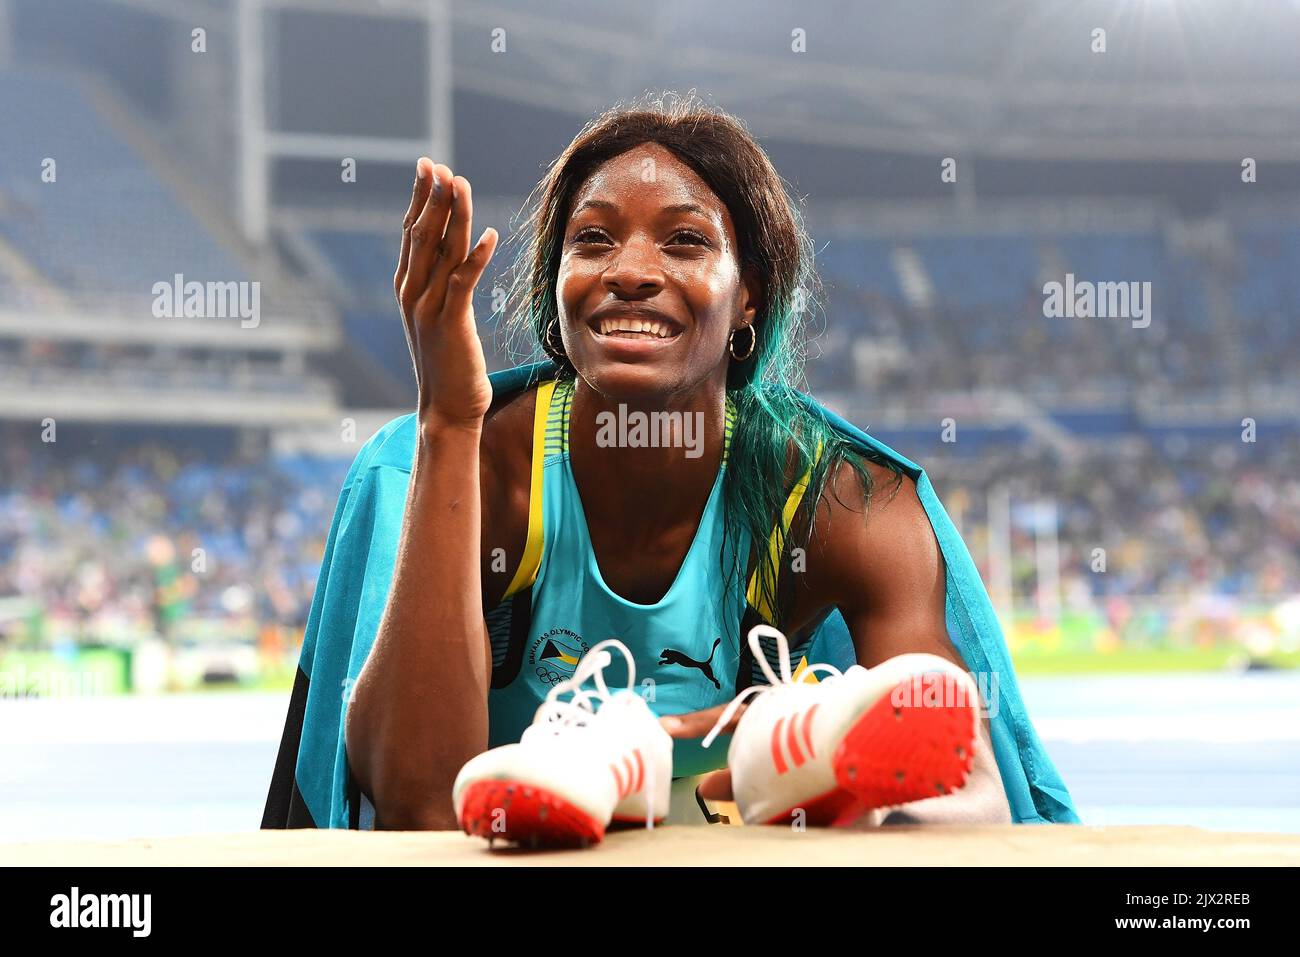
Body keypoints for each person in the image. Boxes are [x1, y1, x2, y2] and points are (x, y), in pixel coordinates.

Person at [261, 94, 1078, 833]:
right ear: (555, 284)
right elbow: (423, 803)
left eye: (685, 240)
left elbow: (972, 795)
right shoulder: (470, 465)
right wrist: (447, 419)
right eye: (592, 239)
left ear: (749, 294)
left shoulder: (842, 498)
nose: (630, 271)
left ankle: (761, 749)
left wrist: (824, 781)